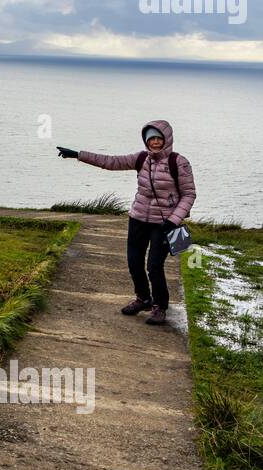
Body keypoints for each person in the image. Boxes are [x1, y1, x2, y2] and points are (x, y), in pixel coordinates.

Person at [55, 120, 196, 326]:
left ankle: (159, 306)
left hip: (163, 224)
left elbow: (189, 194)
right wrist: (77, 155)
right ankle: (143, 299)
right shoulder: (141, 158)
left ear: (167, 139)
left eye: (158, 138)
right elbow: (110, 162)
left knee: (154, 266)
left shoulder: (179, 162)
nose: (155, 143)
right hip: (138, 218)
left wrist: (174, 220)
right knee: (134, 262)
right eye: (151, 139)